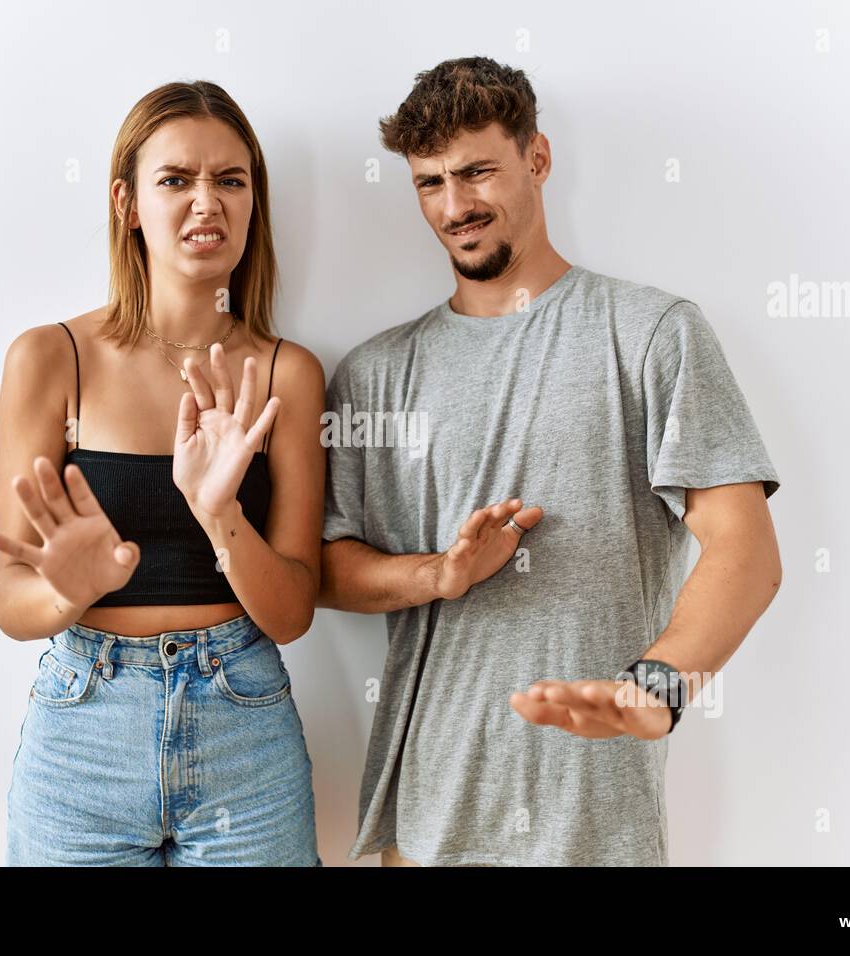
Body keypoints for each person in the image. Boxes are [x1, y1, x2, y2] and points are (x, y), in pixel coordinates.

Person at [318, 56, 782, 867]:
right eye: (430, 183)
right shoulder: (374, 374)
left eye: (477, 173)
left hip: (595, 829)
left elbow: (748, 551)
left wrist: (657, 688)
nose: (456, 207)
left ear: (537, 159)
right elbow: (325, 571)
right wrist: (439, 574)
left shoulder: (651, 334)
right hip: (426, 826)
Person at [0, 81, 327, 866]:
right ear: (127, 202)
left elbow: (292, 614)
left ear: (253, 202)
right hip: (84, 734)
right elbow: (10, 601)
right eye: (175, 180)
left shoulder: (288, 374)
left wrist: (219, 515)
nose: (206, 203)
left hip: (244, 723)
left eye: (230, 181)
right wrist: (74, 585)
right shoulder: (49, 358)